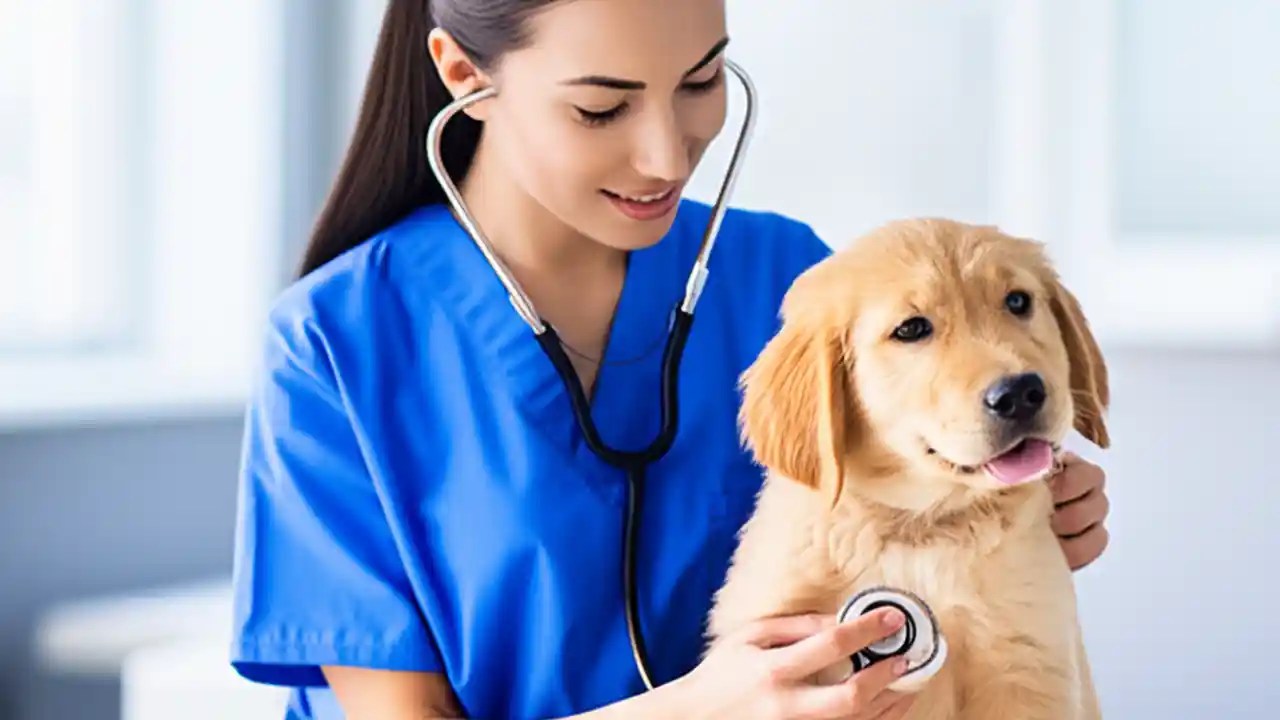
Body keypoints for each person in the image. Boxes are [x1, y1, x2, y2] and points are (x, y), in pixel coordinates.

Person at [229, 1, 1113, 718]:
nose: (666, 155)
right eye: (601, 106)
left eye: (700, 82)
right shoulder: (336, 342)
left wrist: (1008, 507)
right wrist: (702, 710)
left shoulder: (789, 279)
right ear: (465, 76)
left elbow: (902, 577)